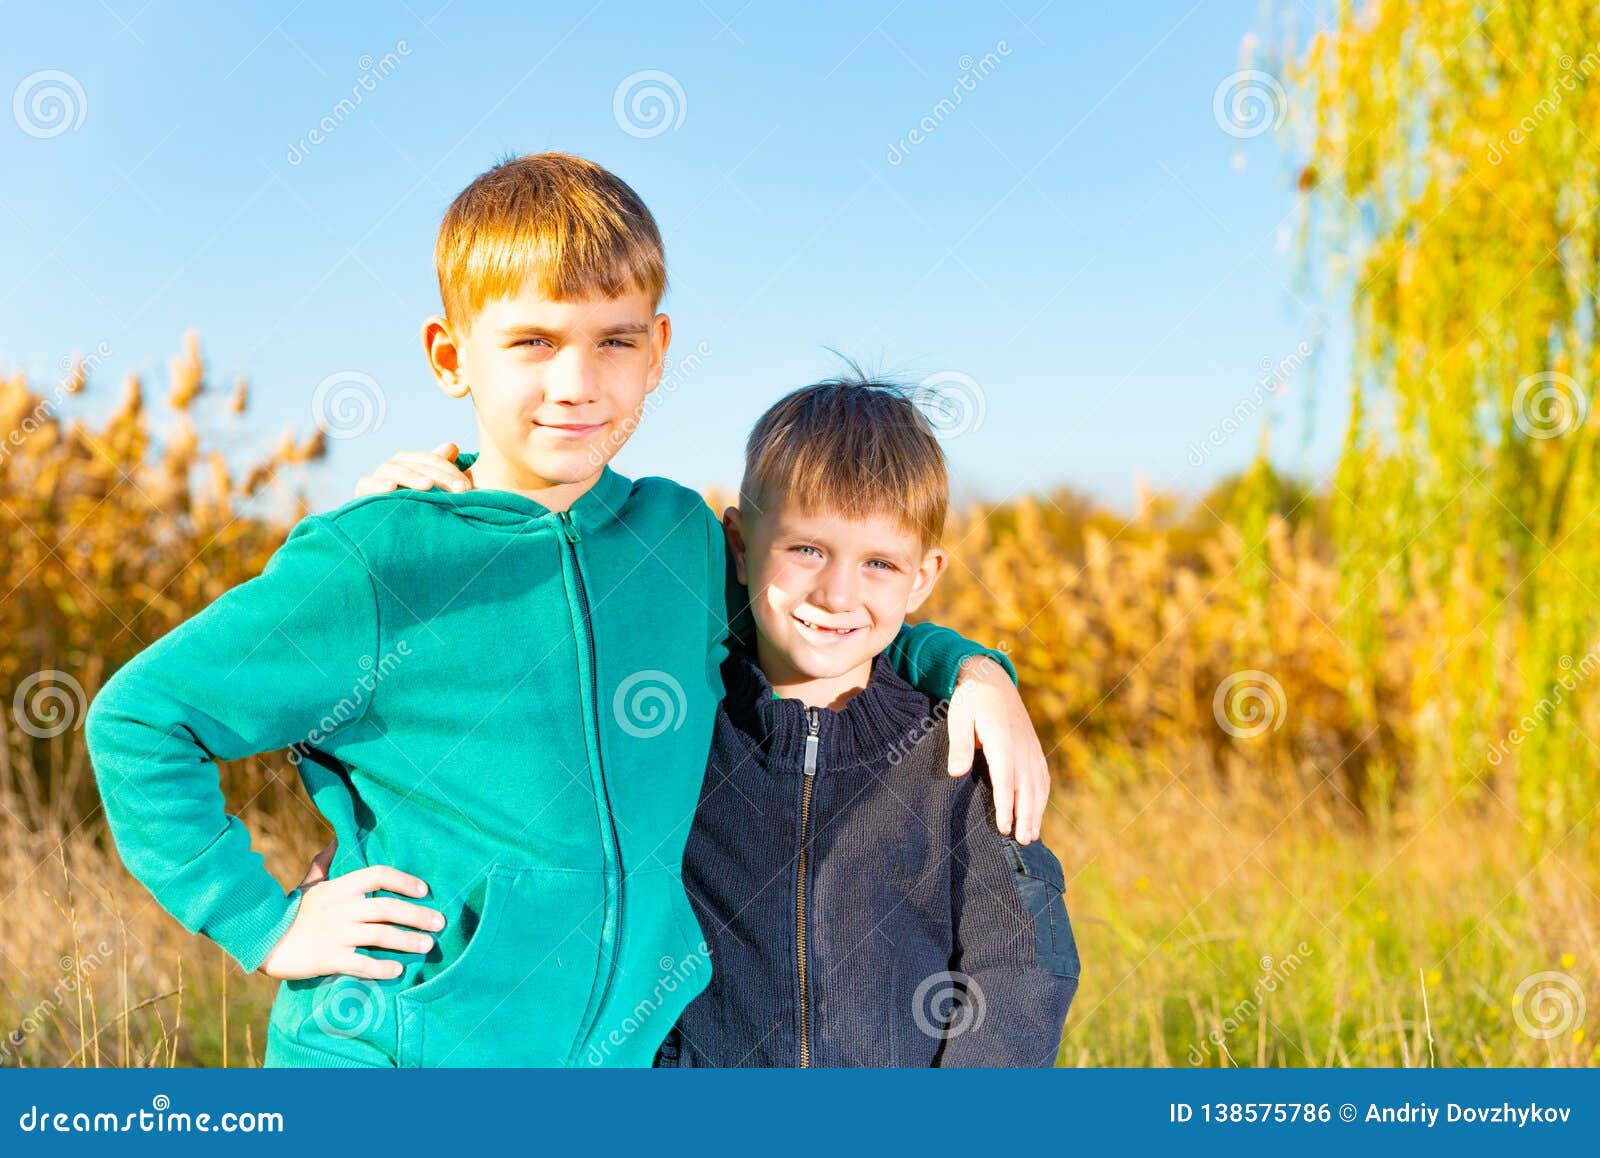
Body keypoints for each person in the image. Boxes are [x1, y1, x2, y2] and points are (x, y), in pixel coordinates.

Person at [85, 152, 1045, 1068]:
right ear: (451, 356)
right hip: (397, 1059)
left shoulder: (676, 540)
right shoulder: (383, 559)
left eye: (613, 341)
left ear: (657, 351)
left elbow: (819, 617)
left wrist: (971, 670)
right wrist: (264, 923)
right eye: (533, 342)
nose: (576, 384)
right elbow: (141, 720)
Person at [654, 376, 1079, 1067]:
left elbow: (1021, 965)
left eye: (879, 562)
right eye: (806, 549)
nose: (837, 593)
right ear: (740, 545)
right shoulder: (682, 732)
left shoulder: (956, 751)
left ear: (923, 577)